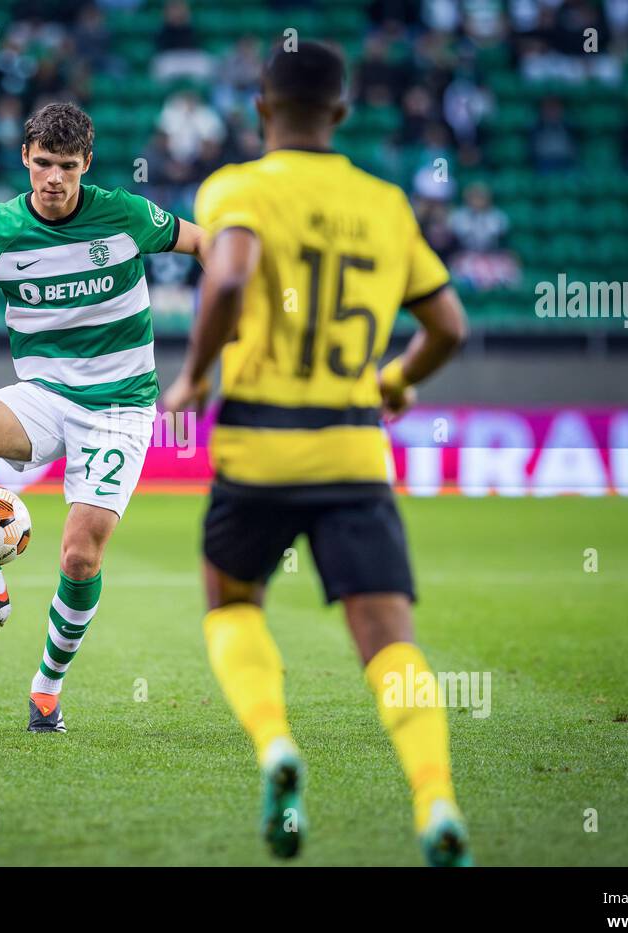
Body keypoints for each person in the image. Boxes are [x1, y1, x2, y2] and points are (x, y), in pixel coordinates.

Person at [162, 42, 472, 865]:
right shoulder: (386, 203)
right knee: (390, 643)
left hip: (260, 446)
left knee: (231, 603)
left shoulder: (237, 187)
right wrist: (398, 381)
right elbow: (448, 327)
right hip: (351, 449)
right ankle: (435, 800)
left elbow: (227, 280)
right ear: (341, 113)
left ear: (261, 108)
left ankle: (275, 745)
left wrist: (193, 377)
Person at [0, 103, 204, 733]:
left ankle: (45, 689)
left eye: (68, 166)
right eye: (43, 164)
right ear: (25, 160)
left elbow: (202, 242)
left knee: (79, 556)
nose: (55, 178)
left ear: (86, 165)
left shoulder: (124, 214)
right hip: (46, 393)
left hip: (120, 405)